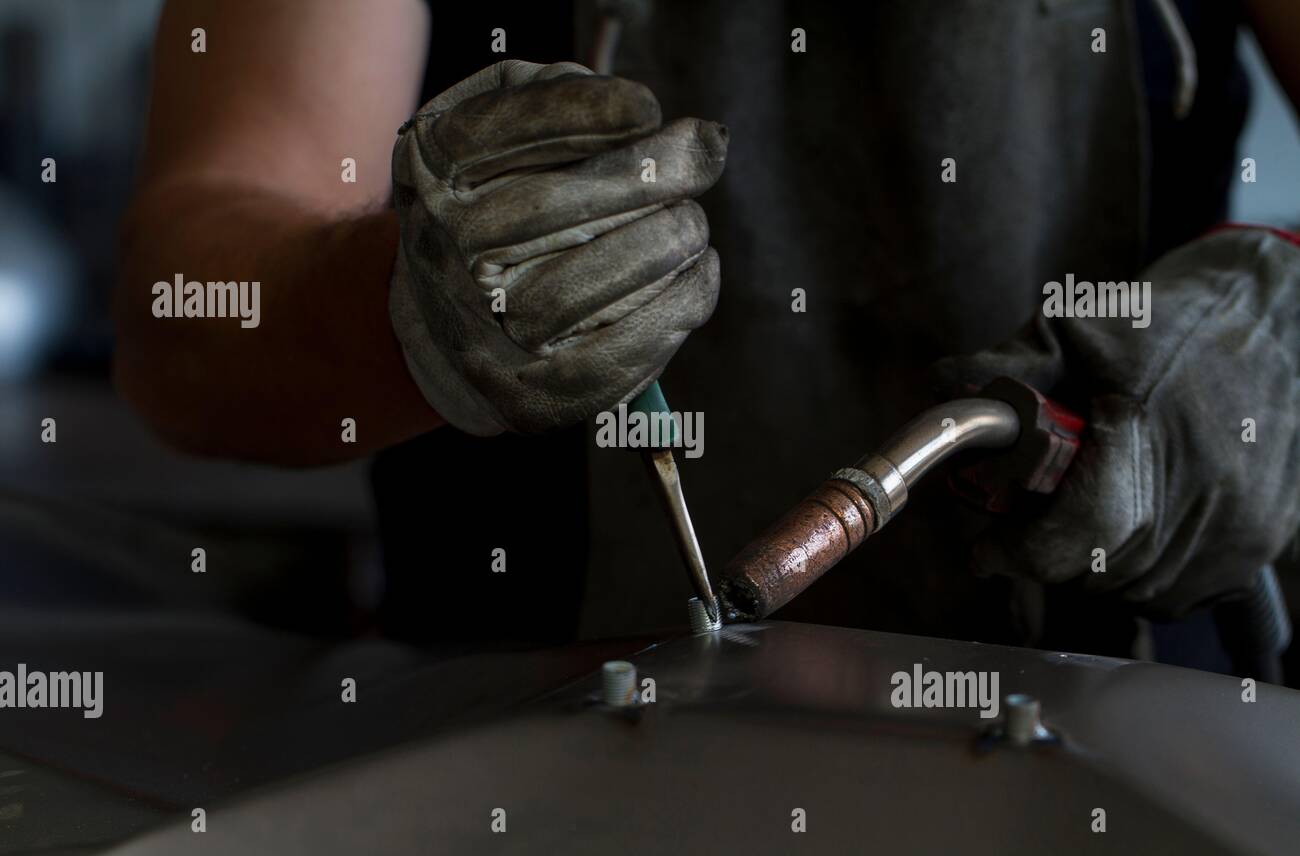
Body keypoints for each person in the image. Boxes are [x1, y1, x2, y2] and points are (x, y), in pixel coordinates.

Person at [114, 0, 1300, 671]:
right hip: (527, 782)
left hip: (1116, 757)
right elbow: (182, 319)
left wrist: (1273, 339)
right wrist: (395, 310)